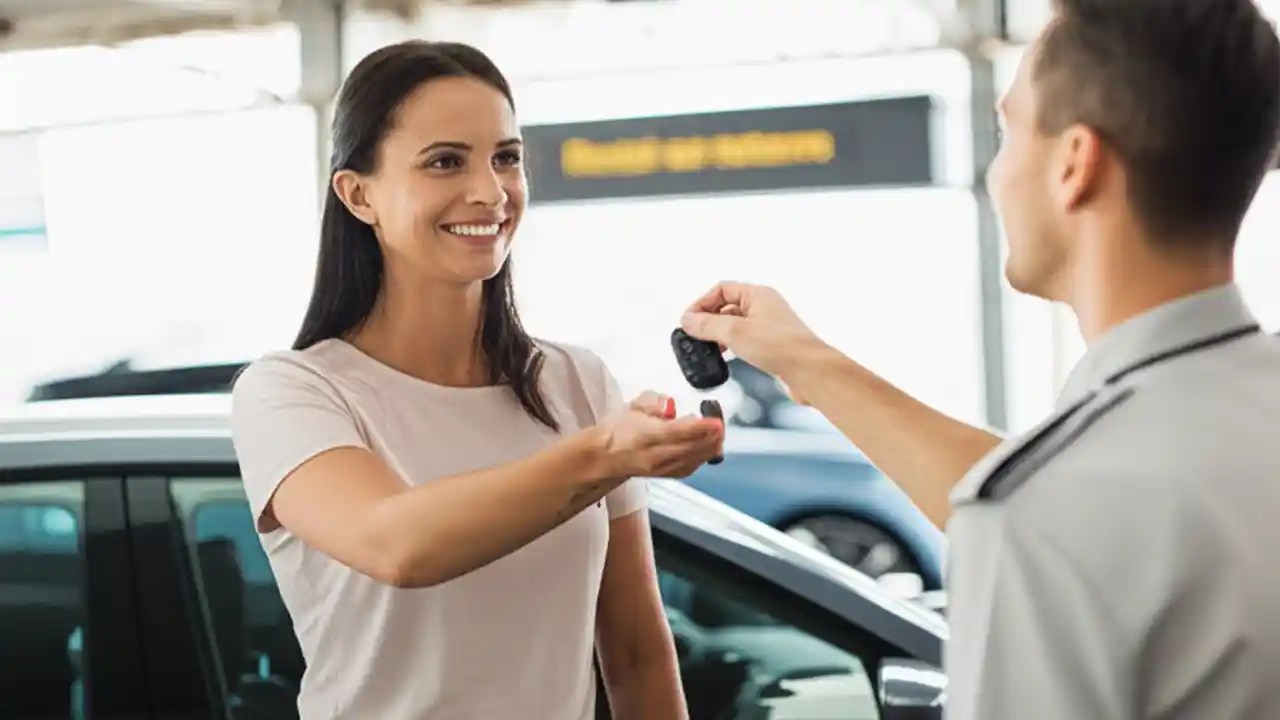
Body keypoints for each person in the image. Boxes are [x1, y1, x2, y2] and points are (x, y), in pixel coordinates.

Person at [681, 1, 1280, 717]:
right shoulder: (1140, 463)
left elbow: (1059, 513)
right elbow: (1073, 503)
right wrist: (810, 364)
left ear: (1074, 164)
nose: (997, 175)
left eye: (1008, 130)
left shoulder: (1049, 512)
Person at [230, 40, 722, 719]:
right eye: (444, 162)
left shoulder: (576, 383)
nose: (490, 192)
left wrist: (611, 449)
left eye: (507, 158)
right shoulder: (292, 393)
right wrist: (606, 454)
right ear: (358, 193)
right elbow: (396, 543)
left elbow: (636, 655)